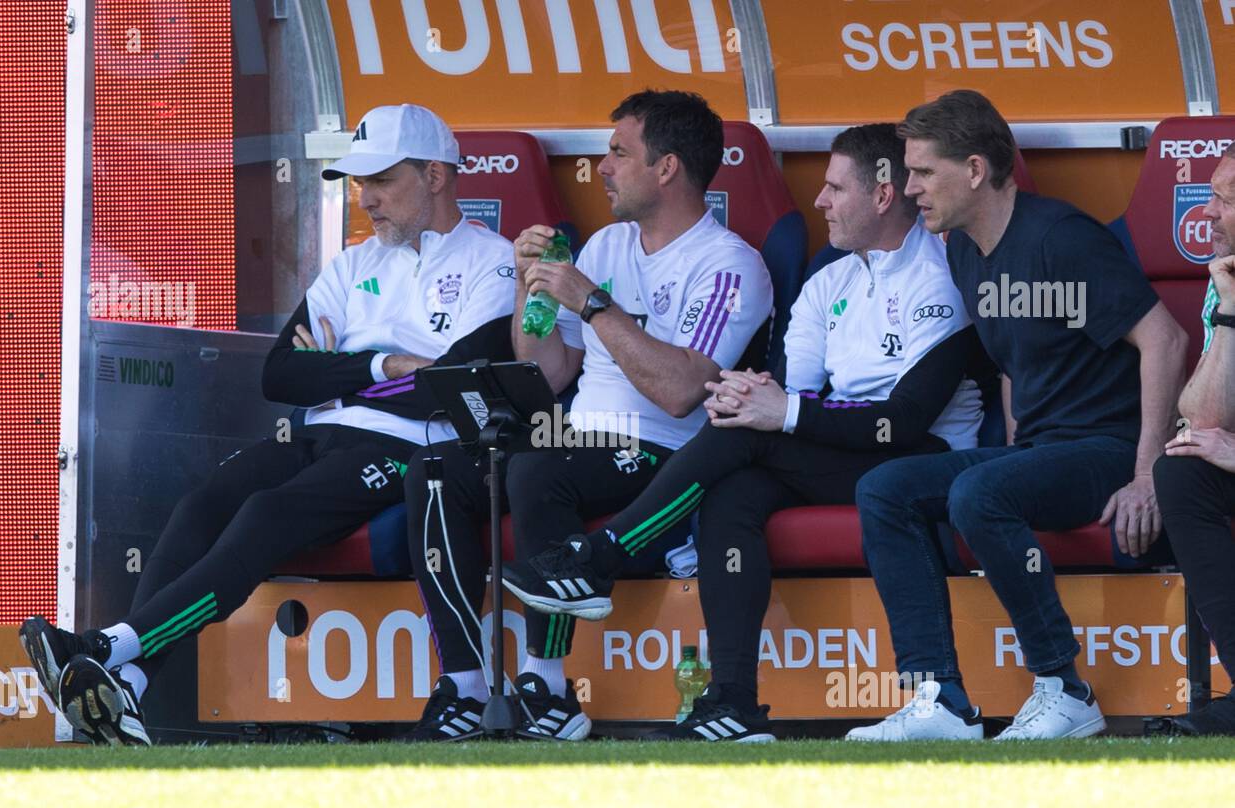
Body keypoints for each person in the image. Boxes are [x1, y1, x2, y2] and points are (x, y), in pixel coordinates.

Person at [19, 103, 516, 745]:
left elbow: (448, 386)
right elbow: (280, 376)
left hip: (405, 445)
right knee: (201, 504)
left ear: (437, 177)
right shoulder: (354, 263)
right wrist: (382, 362)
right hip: (316, 431)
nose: (366, 198)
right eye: (360, 183)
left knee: (264, 514)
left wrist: (339, 365)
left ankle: (109, 648)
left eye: (382, 181)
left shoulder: (492, 261)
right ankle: (134, 688)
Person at [504, 123, 984, 742]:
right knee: (737, 485)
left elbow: (904, 422)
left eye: (835, 189)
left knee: (745, 437)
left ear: (883, 197)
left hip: (923, 458)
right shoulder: (828, 282)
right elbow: (801, 397)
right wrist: (755, 400)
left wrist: (776, 412)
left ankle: (601, 558)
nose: (820, 202)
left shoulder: (939, 276)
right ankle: (733, 703)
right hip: (848, 452)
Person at [402, 90, 772, 741]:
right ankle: (462, 685)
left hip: (662, 452)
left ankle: (547, 687)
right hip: (577, 434)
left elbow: (682, 390)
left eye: (619, 152)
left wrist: (594, 301)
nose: (601, 167)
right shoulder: (603, 245)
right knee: (436, 467)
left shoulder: (730, 266)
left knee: (542, 467)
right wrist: (530, 288)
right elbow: (547, 370)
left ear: (668, 168)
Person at [851, 90, 1189, 741]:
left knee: (979, 492)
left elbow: (1165, 342)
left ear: (975, 170)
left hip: (1109, 448)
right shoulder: (961, 249)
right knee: (885, 487)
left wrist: (1149, 474)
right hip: (1042, 450)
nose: (909, 186)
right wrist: (1016, 448)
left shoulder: (1060, 237)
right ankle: (939, 701)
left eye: (922, 171)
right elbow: (1012, 364)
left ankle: (1065, 689)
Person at [1153, 144, 1235, 735]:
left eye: (1224, 200)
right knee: (1181, 469)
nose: (1206, 213)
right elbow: (1200, 414)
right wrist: (1229, 310)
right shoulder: (1226, 276)